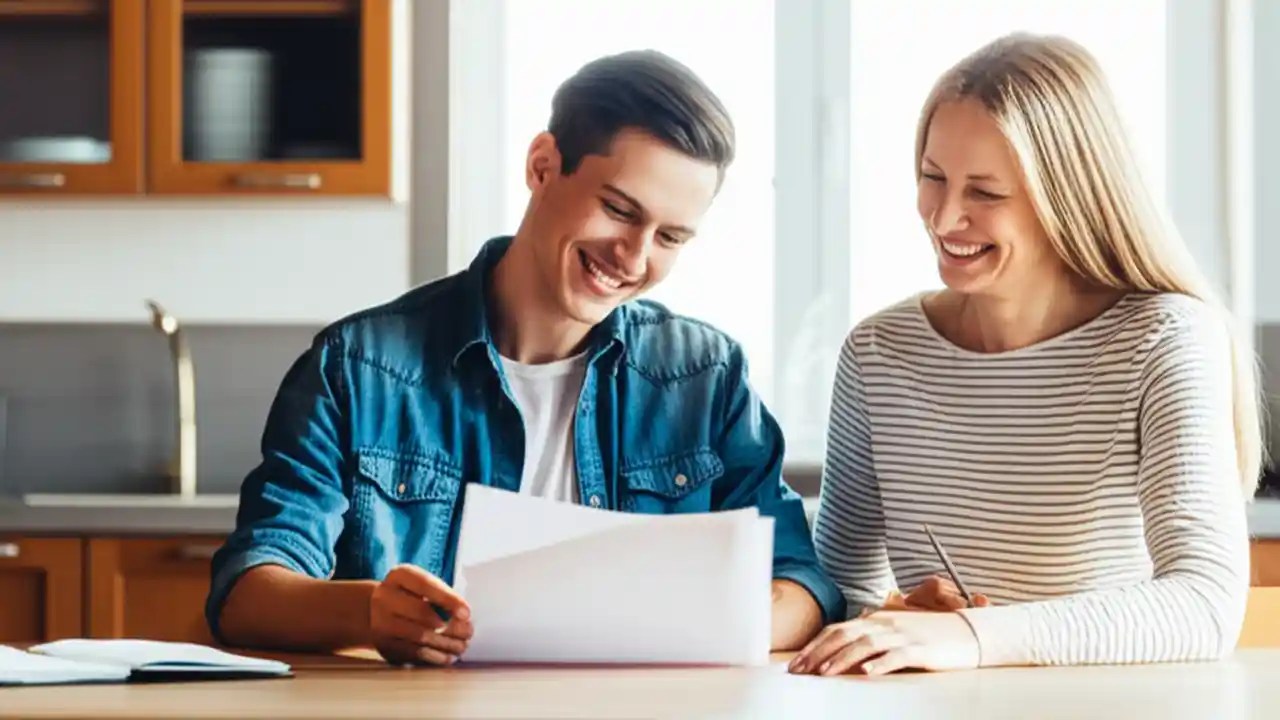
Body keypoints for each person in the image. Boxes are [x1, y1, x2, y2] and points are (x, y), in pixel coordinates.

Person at [206, 49, 844, 666]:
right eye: (619, 210)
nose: (633, 257)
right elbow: (248, 593)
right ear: (543, 165)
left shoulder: (705, 377)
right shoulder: (358, 368)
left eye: (670, 237)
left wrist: (709, 626)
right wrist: (369, 612)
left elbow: (799, 584)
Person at [790, 33, 1262, 677]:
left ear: (1067, 196)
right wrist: (895, 617)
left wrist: (973, 635)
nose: (945, 216)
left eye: (985, 193)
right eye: (933, 178)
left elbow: (1205, 604)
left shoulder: (1165, 338)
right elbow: (842, 592)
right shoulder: (879, 353)